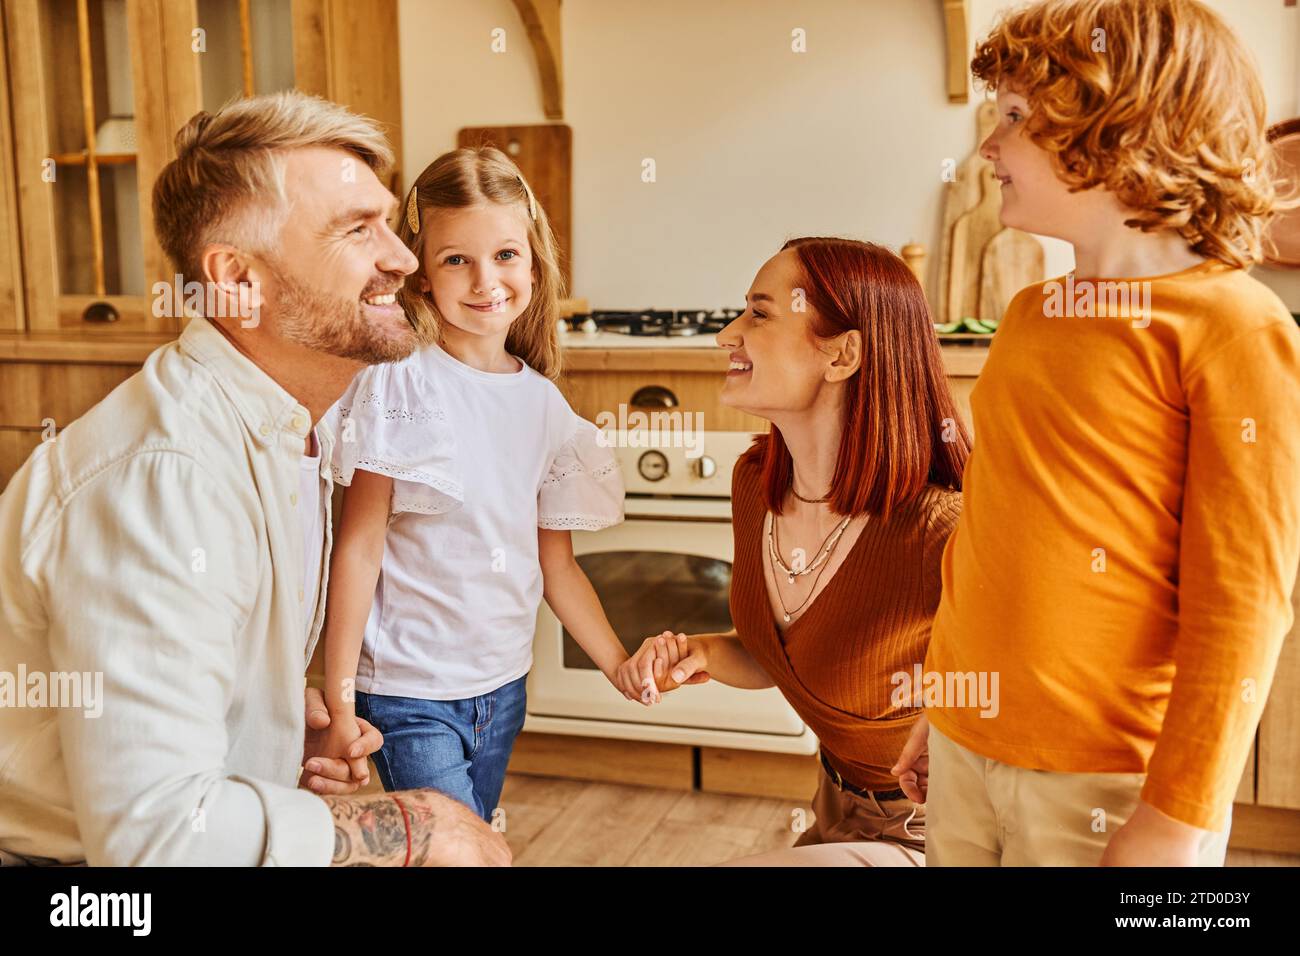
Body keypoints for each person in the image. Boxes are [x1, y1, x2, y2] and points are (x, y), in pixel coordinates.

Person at [0, 92, 509, 866]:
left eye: (388, 223)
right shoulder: (168, 481)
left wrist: (256, 718)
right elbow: (160, 840)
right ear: (237, 281)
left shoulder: (286, 426)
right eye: (355, 230)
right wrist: (416, 826)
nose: (403, 258)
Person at [892, 0, 1300, 866]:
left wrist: (1179, 817)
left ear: (1123, 130)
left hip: (1115, 785)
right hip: (968, 747)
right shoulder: (1035, 312)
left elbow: (1244, 603)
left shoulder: (1236, 328)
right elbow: (992, 532)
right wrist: (944, 699)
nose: (986, 149)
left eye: (1010, 119)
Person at [619, 237, 969, 865]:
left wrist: (964, 728)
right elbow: (797, 655)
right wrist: (704, 651)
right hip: (834, 813)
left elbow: (1051, 683)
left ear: (843, 354)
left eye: (759, 313)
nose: (728, 335)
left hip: (940, 832)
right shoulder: (756, 482)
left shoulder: (939, 530)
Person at [316, 146, 632, 822]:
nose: (485, 279)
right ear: (422, 275)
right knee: (462, 850)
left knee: (468, 839)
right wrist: (338, 699)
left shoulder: (544, 405)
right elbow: (359, 547)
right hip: (406, 692)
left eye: (506, 256)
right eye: (457, 259)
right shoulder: (398, 383)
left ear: (534, 264)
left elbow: (557, 566)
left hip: (503, 689)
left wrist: (616, 662)